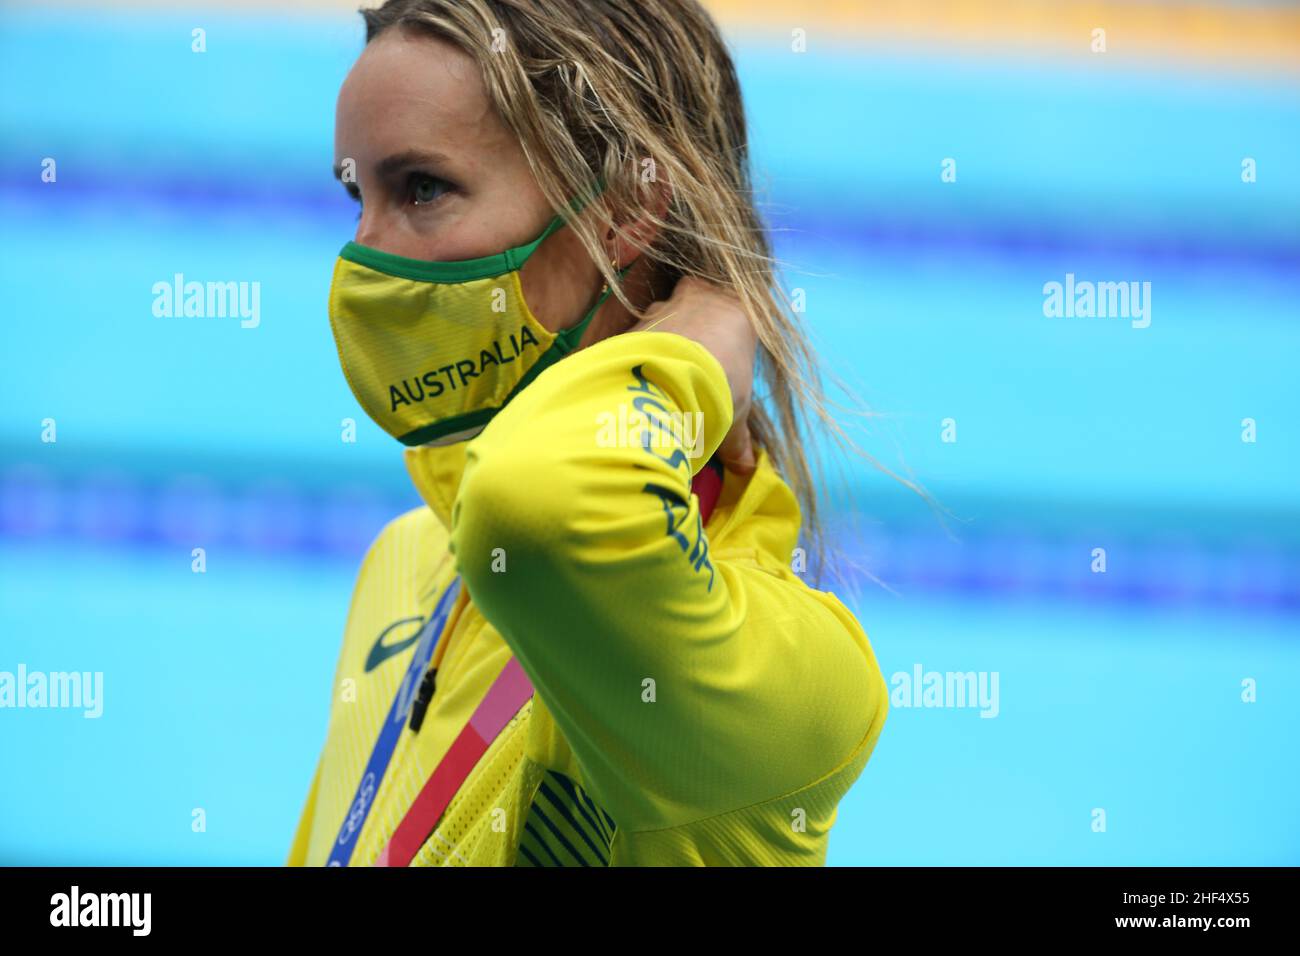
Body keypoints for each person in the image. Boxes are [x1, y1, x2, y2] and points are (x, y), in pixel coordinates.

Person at [288, 0, 888, 867]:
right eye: (359, 196)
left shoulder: (773, 666)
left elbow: (544, 506)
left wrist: (698, 340)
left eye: (422, 189)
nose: (362, 258)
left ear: (626, 210)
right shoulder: (411, 562)